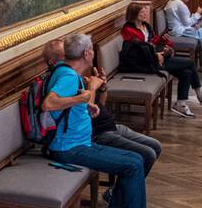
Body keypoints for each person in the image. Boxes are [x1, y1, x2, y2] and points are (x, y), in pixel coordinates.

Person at [43, 33, 161, 208]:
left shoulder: (68, 73)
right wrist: (85, 96)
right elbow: (49, 104)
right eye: (92, 50)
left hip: (78, 143)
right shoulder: (69, 76)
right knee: (134, 163)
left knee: (136, 160)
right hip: (69, 149)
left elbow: (65, 107)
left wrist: (86, 106)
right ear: (88, 53)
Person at [43, 39, 162, 177]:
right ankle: (116, 193)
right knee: (145, 155)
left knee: (155, 146)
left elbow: (98, 105)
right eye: (66, 54)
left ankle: (119, 191)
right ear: (55, 61)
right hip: (97, 133)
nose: (71, 56)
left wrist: (102, 88)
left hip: (109, 125)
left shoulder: (74, 74)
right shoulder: (66, 77)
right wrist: (91, 88)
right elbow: (83, 112)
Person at [119, 1, 202, 118]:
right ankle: (199, 91)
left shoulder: (146, 26)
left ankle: (181, 103)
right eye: (141, 12)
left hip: (155, 57)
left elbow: (152, 41)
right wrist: (156, 54)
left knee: (186, 72)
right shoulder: (128, 29)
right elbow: (137, 49)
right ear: (133, 14)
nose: (145, 14)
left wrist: (163, 41)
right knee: (189, 63)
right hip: (143, 62)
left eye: (145, 11)